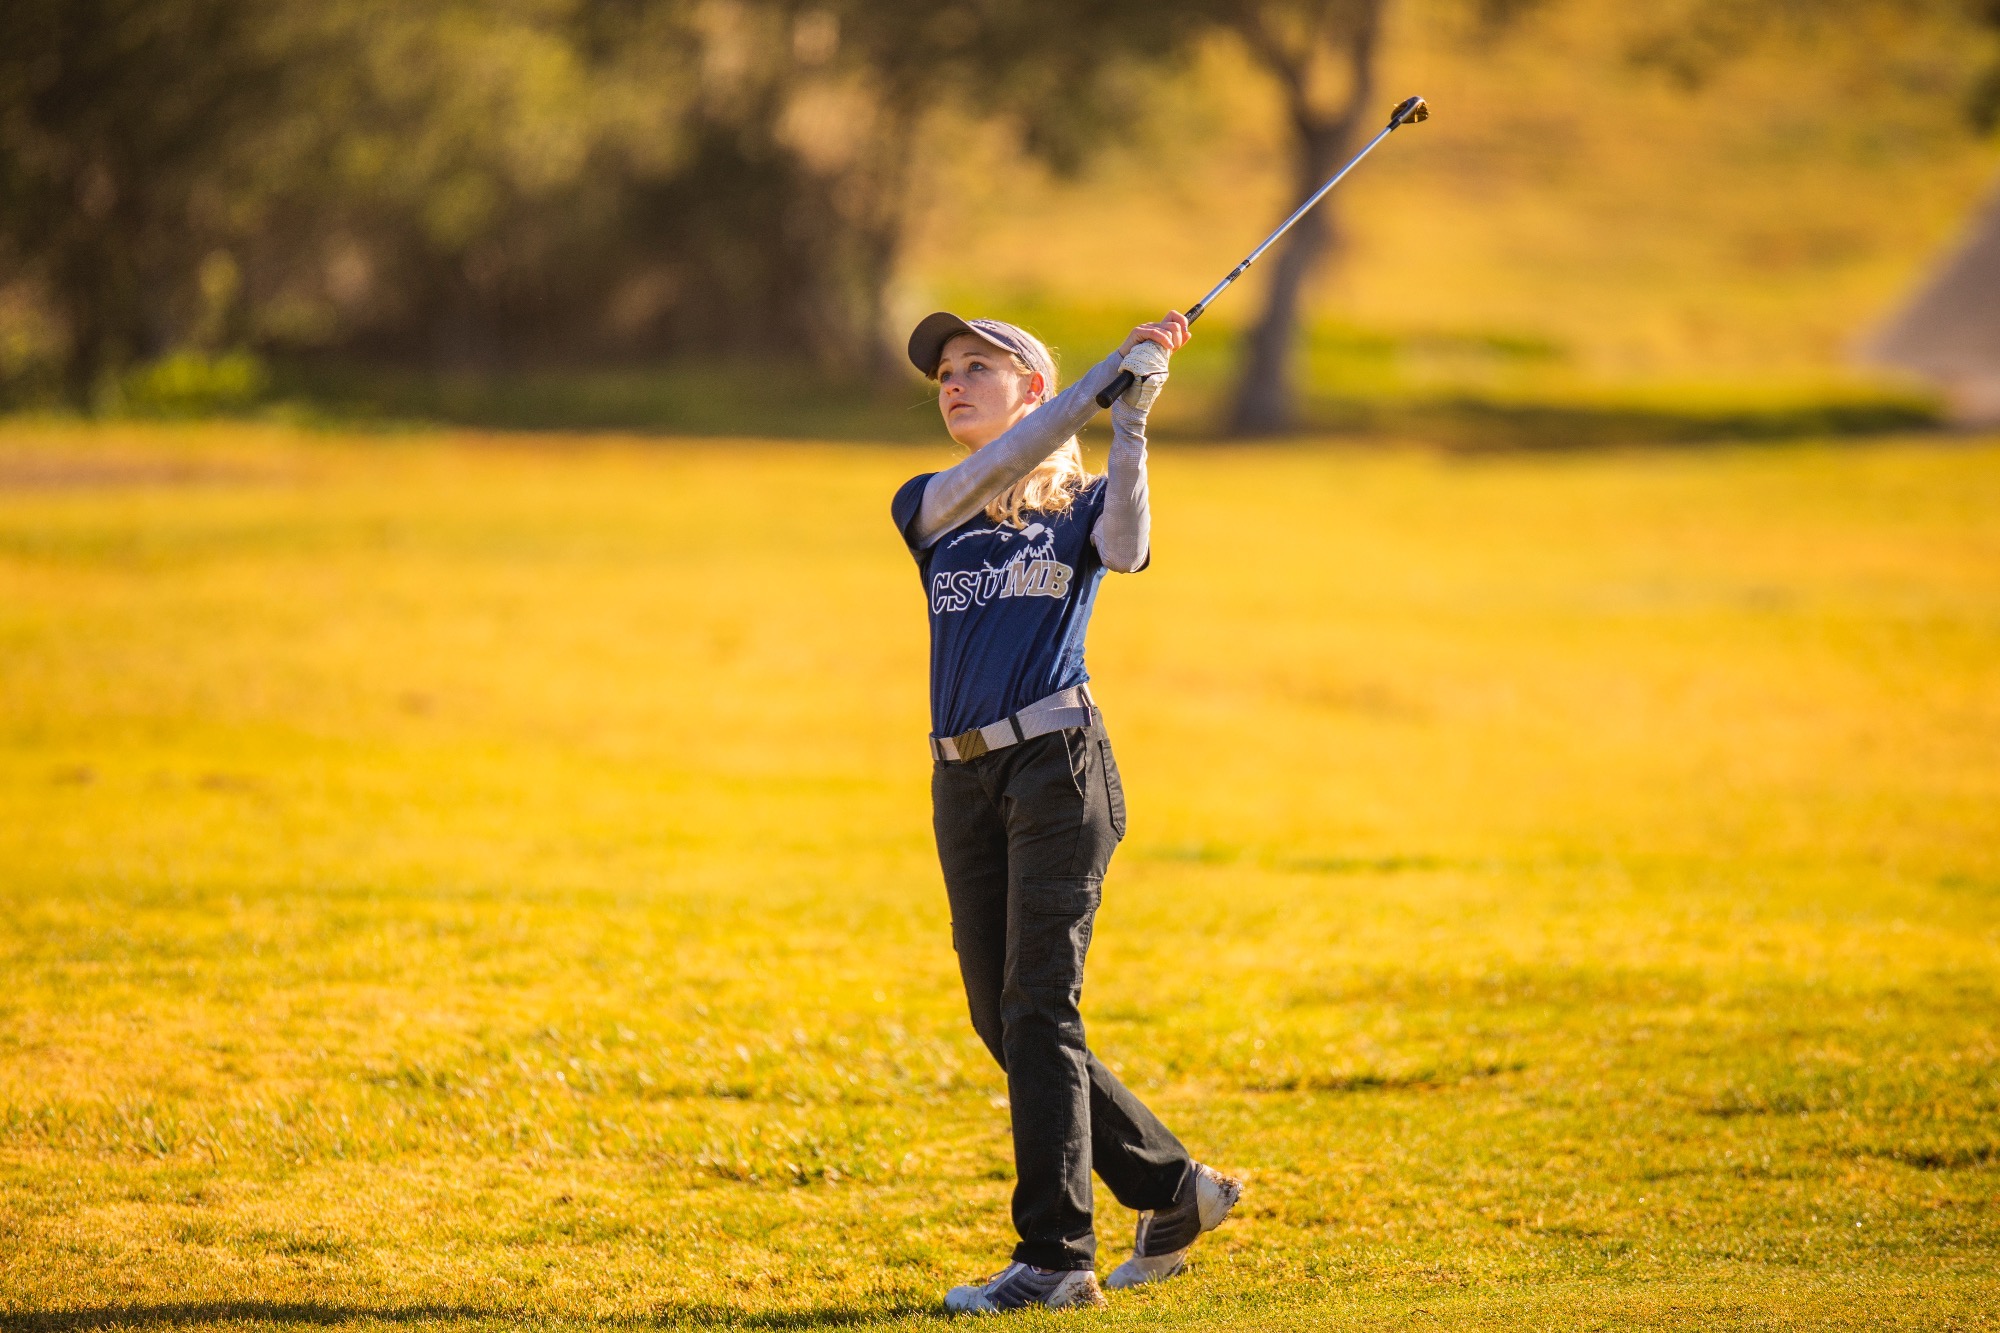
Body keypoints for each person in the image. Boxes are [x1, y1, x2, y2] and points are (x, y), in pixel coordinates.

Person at [890, 311, 1243, 1314]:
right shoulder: (928, 503)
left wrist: (1130, 420)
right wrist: (1103, 379)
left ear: (1032, 388)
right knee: (1000, 1017)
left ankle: (1053, 1258)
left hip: (1057, 769)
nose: (951, 384)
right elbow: (1007, 458)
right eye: (945, 374)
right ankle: (1171, 1189)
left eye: (976, 369)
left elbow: (1126, 550)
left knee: (1037, 1005)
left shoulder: (1077, 503)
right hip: (960, 780)